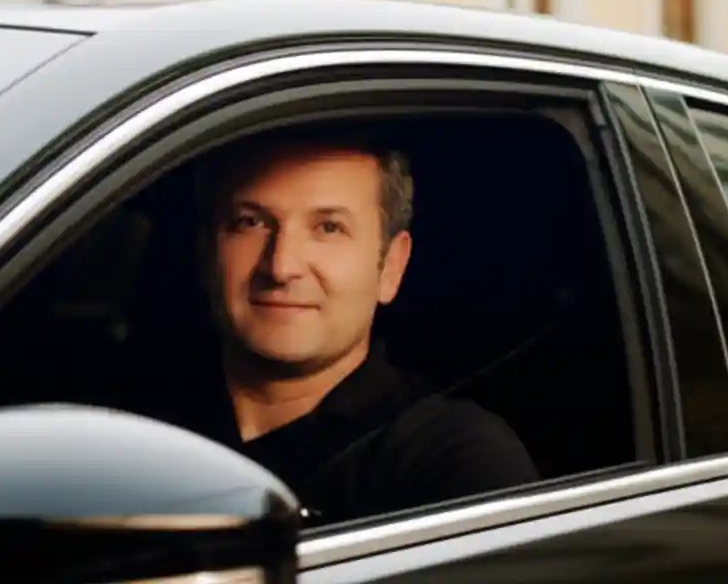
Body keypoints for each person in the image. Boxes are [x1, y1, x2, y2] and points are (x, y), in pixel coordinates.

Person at [174, 128, 537, 524]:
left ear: (391, 267)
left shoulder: (451, 459)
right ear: (207, 253)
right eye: (251, 221)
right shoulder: (129, 415)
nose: (281, 266)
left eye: (329, 228)